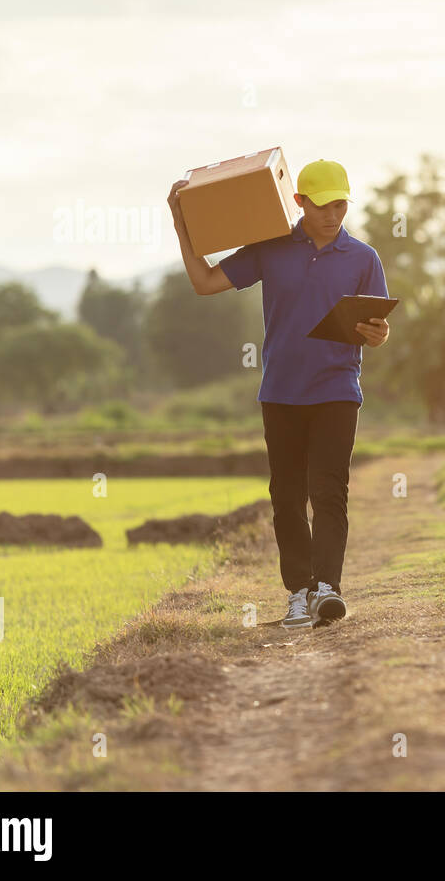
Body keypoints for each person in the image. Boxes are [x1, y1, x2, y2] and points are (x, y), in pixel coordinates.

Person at [166, 158, 390, 629]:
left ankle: (328, 590)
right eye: (324, 205)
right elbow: (205, 283)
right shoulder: (269, 249)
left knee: (329, 491)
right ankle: (299, 592)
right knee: (286, 497)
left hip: (336, 390)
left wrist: (377, 334)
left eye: (342, 204)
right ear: (300, 201)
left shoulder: (363, 258)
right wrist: (181, 224)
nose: (334, 214)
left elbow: (377, 329)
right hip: (281, 392)